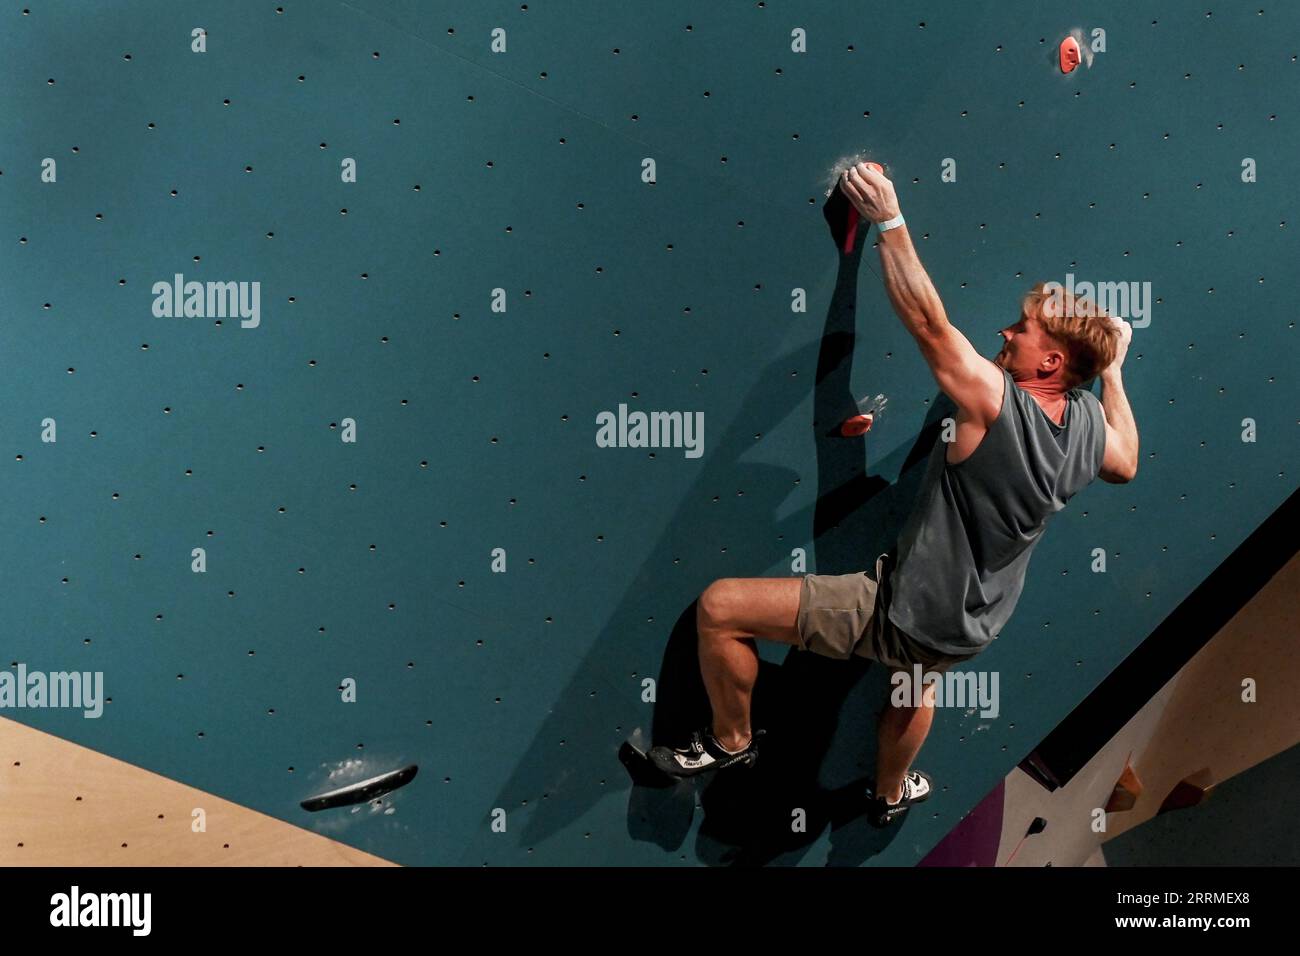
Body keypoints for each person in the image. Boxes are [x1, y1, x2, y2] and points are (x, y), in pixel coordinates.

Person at [649, 163, 1140, 828]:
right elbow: (1128, 462)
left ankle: (731, 744)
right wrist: (1113, 373)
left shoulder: (996, 403)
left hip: (900, 611)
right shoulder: (1084, 427)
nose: (1006, 333)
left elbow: (931, 326)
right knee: (915, 682)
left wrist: (890, 219)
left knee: (721, 609)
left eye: (1022, 331)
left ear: (1050, 363)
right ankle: (888, 793)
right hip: (974, 627)